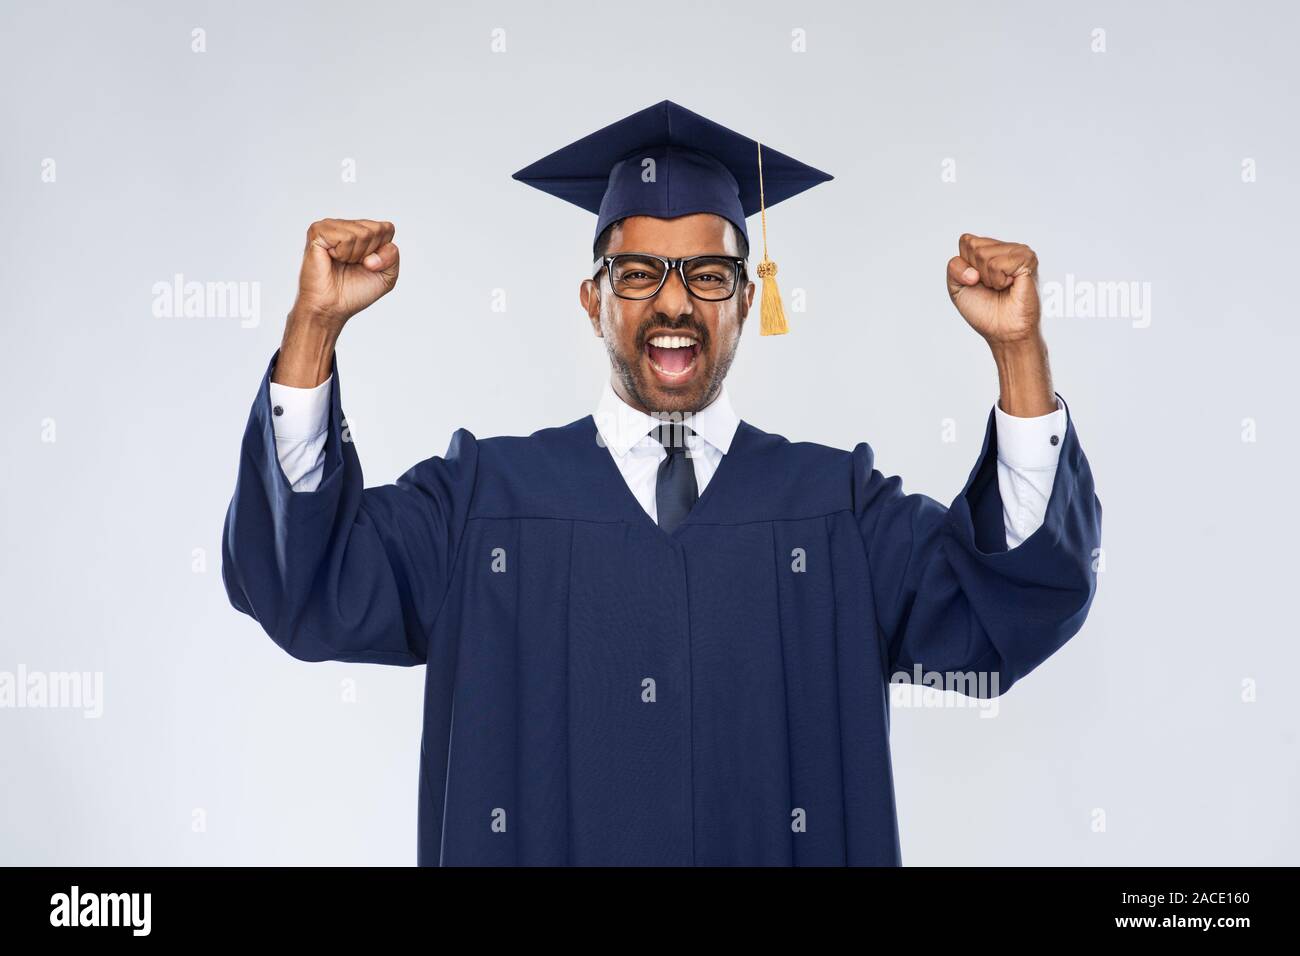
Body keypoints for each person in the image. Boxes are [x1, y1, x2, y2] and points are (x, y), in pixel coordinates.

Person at [221, 100, 1102, 866]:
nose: (674, 304)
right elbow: (307, 589)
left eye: (709, 275)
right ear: (593, 299)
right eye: (638, 273)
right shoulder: (480, 503)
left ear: (745, 302)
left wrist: (1018, 356)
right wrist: (313, 332)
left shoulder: (838, 510)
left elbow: (1007, 613)